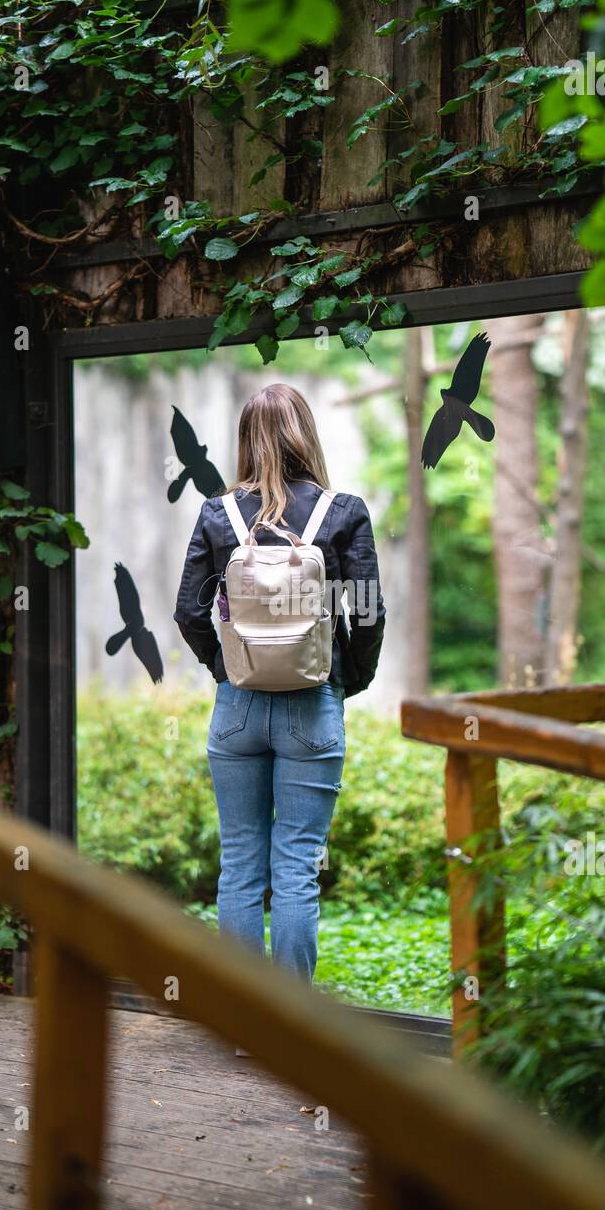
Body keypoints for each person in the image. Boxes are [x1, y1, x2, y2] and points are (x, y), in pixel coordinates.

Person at [174, 382, 385, 985]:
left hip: (237, 708)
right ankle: (290, 1032)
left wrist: (227, 670)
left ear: (247, 440)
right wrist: (347, 680)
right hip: (312, 706)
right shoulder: (342, 512)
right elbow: (367, 612)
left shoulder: (218, 514)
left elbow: (189, 613)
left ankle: (246, 1023)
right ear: (305, 436)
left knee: (239, 863)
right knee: (296, 867)